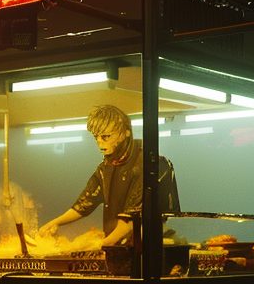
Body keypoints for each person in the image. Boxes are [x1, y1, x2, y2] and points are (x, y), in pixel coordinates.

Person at [38, 104, 179, 246]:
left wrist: (99, 246)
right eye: (96, 137)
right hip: (119, 247)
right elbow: (84, 204)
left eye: (106, 137)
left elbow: (131, 220)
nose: (99, 143)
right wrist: (54, 223)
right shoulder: (105, 169)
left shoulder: (151, 164)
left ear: (126, 132)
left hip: (151, 251)